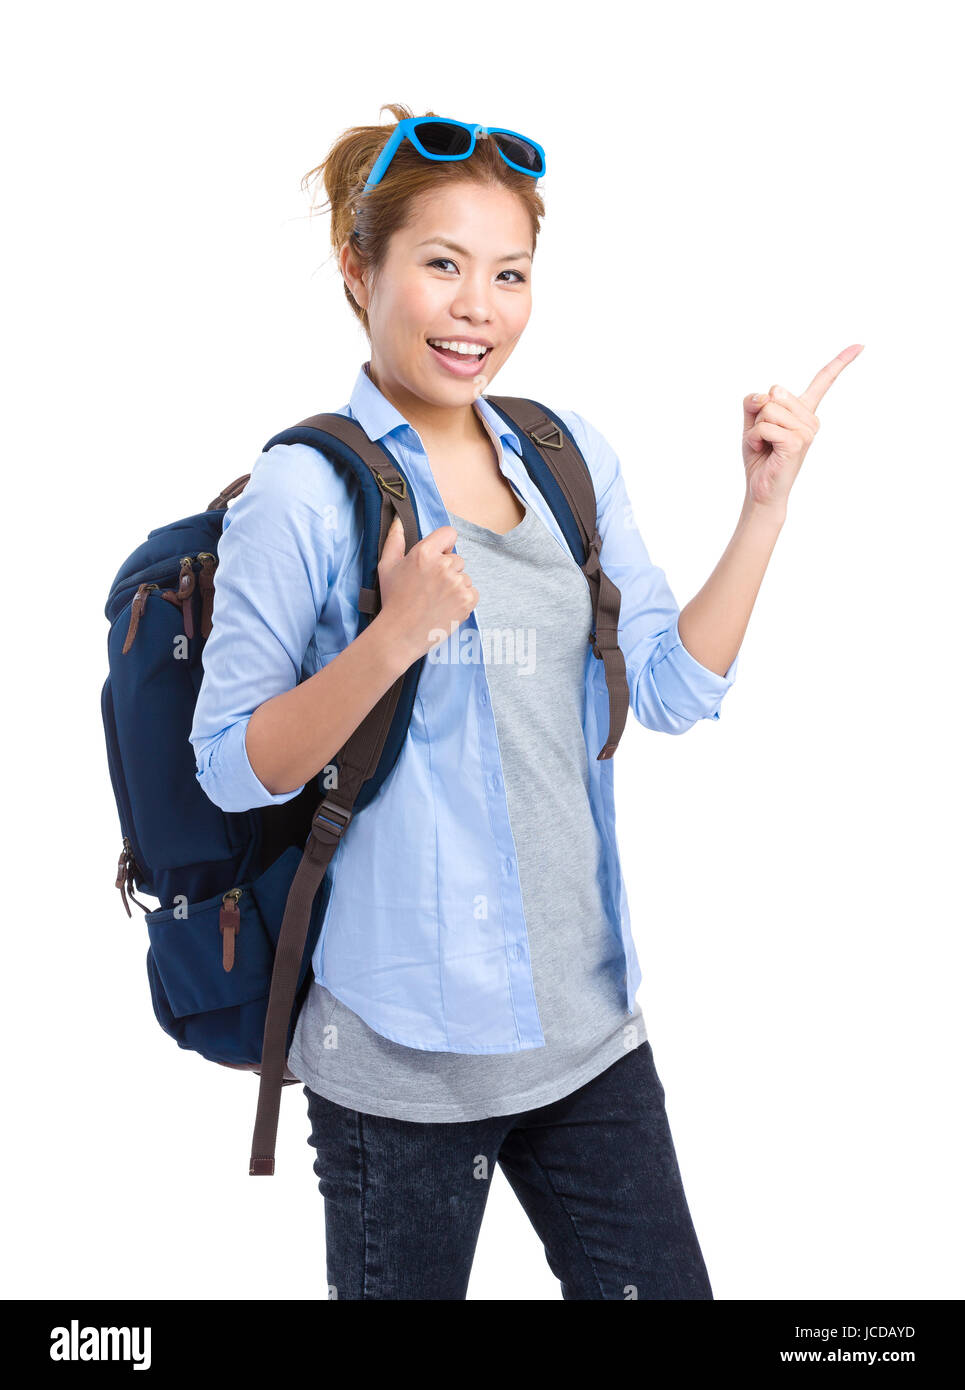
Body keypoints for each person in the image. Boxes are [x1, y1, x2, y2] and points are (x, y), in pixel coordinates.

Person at [190, 102, 862, 1300]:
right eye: (440, 265)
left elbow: (669, 689)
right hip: (400, 1070)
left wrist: (763, 503)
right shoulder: (305, 488)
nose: (476, 307)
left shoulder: (563, 454)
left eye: (507, 273)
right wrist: (393, 637)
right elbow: (236, 763)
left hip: (589, 1034)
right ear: (360, 268)